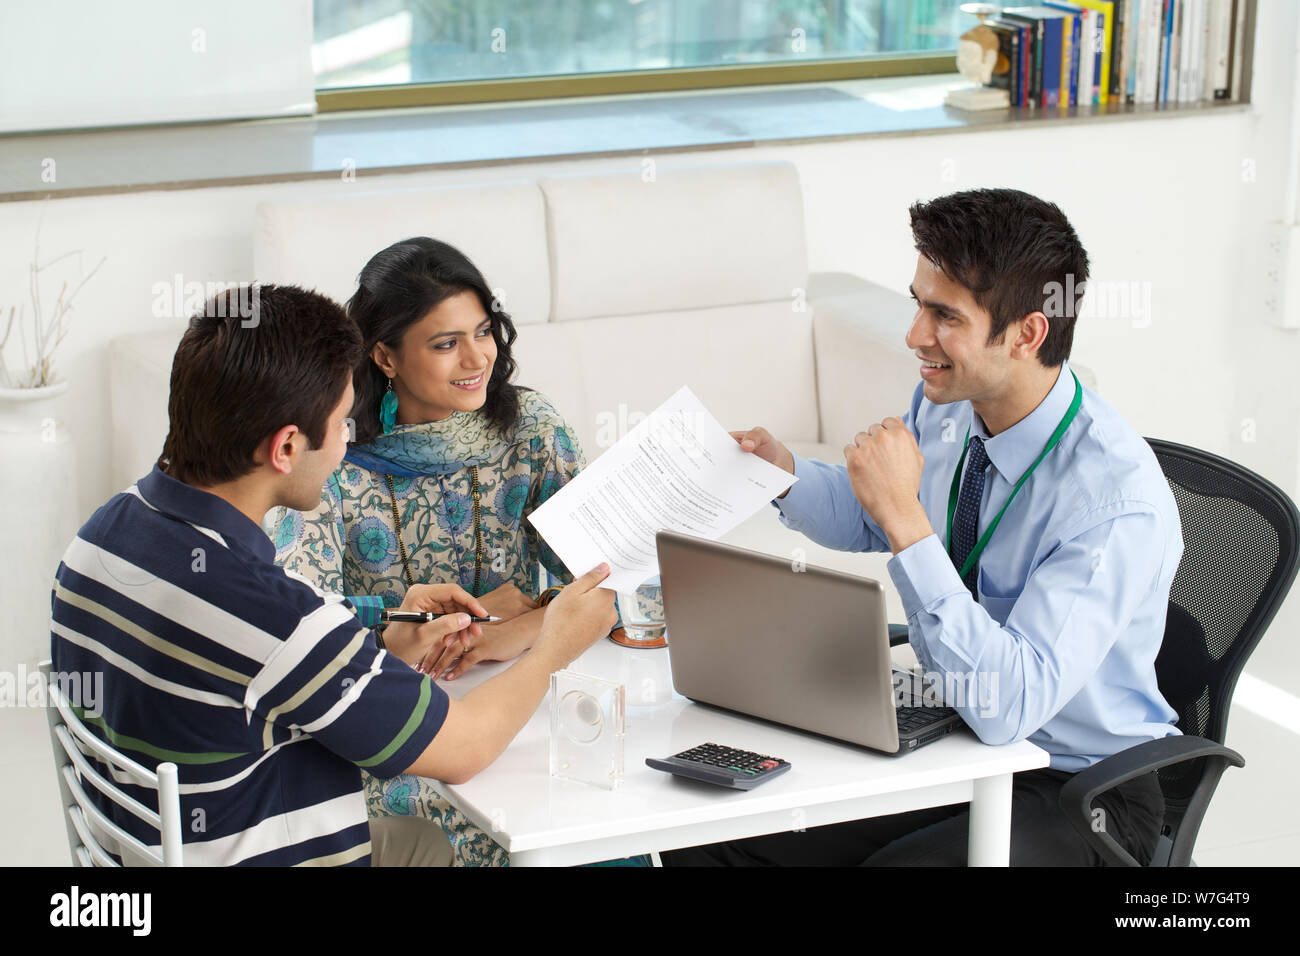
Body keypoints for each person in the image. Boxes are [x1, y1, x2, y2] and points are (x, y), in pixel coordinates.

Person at [665, 188, 1181, 866]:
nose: (914, 335)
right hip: (962, 737)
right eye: (917, 303)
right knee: (720, 836)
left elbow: (1008, 706)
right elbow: (872, 514)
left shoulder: (1114, 503)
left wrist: (908, 525)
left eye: (944, 315)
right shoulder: (950, 407)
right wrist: (783, 471)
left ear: (1028, 333)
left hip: (1080, 784)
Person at [48, 284, 617, 866]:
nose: (350, 442)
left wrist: (390, 619)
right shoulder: (275, 619)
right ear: (287, 447)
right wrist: (554, 646)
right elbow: (465, 746)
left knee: (428, 844)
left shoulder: (104, 531)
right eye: (344, 423)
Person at [264, 237, 603, 865]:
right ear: (385, 355)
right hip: (384, 731)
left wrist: (520, 625)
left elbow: (612, 577)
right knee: (497, 827)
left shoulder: (530, 428)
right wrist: (401, 625)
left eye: (483, 332)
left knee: (593, 802)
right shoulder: (329, 454)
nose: (477, 358)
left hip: (523, 699)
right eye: (446, 343)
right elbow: (293, 618)